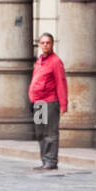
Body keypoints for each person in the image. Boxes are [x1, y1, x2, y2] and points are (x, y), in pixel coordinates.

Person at [28, 32, 68, 171]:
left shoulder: (56, 61)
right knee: (40, 133)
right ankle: (44, 159)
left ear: (52, 44)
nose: (45, 45)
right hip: (38, 103)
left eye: (48, 42)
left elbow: (61, 83)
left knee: (50, 133)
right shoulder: (39, 61)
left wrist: (63, 104)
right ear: (39, 44)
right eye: (43, 43)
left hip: (50, 102)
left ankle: (51, 161)